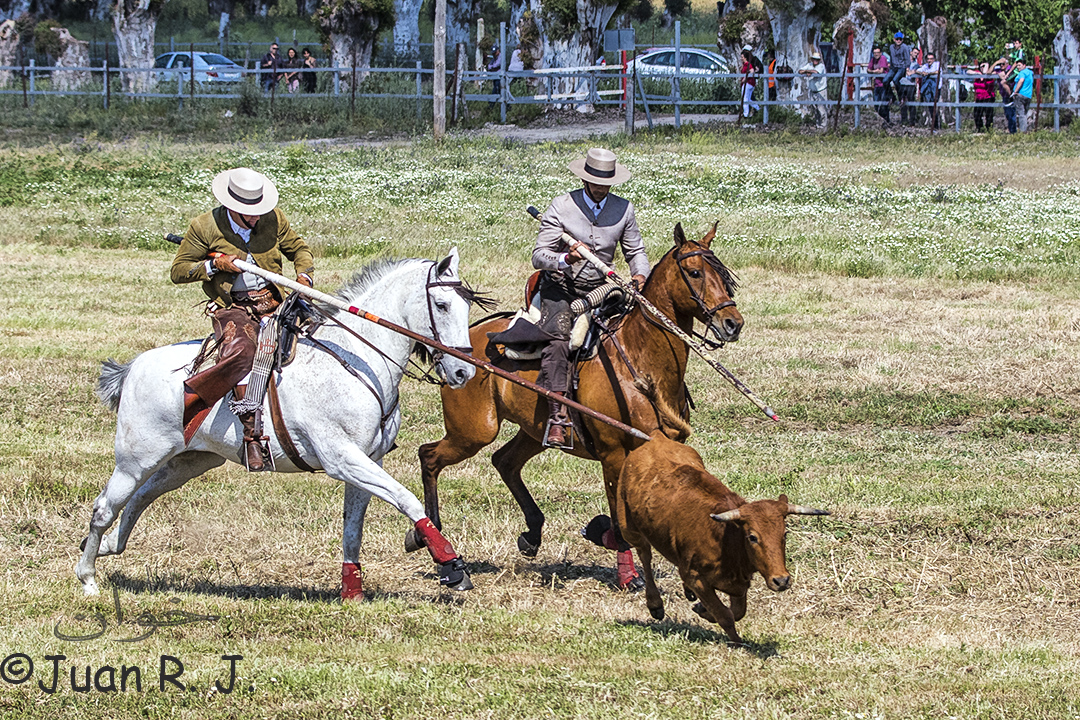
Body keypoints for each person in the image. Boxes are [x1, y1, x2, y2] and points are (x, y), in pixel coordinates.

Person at [171, 168, 314, 472]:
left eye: (259, 211)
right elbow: (179, 271)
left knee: (320, 337)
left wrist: (304, 274)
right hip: (234, 305)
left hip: (274, 298)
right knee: (243, 353)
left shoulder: (273, 218)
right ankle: (252, 436)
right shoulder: (204, 226)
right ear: (232, 207)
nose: (256, 217)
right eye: (249, 213)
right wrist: (213, 265)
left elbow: (298, 248)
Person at [530, 148, 649, 448]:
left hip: (602, 288)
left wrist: (640, 276)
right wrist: (565, 258)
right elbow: (539, 256)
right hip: (562, 287)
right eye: (594, 181)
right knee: (558, 341)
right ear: (584, 179)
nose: (600, 187)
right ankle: (557, 416)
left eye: (605, 182)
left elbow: (635, 252)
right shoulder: (562, 206)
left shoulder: (624, 210)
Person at [799, 51, 828, 128]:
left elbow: (816, 72)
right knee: (815, 108)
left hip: (821, 90)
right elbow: (800, 71)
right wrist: (807, 71)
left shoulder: (821, 66)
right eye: (814, 59)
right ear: (812, 59)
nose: (815, 61)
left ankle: (823, 126)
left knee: (822, 109)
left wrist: (808, 72)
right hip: (812, 90)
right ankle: (818, 124)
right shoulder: (809, 65)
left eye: (817, 59)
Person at [883, 32, 913, 105]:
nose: (898, 41)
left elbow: (907, 59)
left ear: (902, 40)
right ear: (894, 39)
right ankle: (891, 96)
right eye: (897, 39)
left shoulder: (904, 47)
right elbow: (892, 58)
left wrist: (907, 68)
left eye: (900, 39)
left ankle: (902, 96)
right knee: (885, 81)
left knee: (895, 80)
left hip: (901, 67)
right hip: (894, 67)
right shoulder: (891, 47)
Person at [916, 52, 940, 128]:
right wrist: (922, 72)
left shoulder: (937, 64)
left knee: (935, 106)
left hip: (936, 88)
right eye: (928, 59)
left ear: (934, 59)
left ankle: (937, 125)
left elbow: (937, 71)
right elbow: (918, 70)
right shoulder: (925, 66)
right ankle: (933, 125)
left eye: (931, 59)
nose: (929, 60)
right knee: (930, 107)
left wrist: (928, 73)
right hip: (928, 89)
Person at [970, 61, 997, 132]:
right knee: (977, 114)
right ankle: (980, 129)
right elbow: (968, 71)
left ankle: (989, 129)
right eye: (981, 66)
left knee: (988, 115)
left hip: (988, 97)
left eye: (984, 66)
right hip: (979, 98)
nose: (982, 68)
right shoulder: (977, 75)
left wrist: (986, 67)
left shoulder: (990, 75)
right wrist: (977, 73)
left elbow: (986, 74)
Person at [867, 45, 890, 124]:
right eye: (874, 53)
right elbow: (868, 69)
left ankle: (886, 120)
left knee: (883, 103)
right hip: (877, 84)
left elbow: (881, 71)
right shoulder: (873, 60)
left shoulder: (883, 58)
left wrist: (873, 71)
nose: (876, 54)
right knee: (876, 103)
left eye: (877, 53)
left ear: (880, 53)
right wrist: (875, 71)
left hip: (883, 84)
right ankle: (879, 121)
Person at [1011, 58, 1034, 132]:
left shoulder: (1022, 73)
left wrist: (1015, 91)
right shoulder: (1030, 72)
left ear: (1024, 65)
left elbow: (1021, 80)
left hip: (1020, 94)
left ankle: (1023, 131)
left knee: (1021, 114)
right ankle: (1026, 129)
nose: (1018, 67)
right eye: (1017, 65)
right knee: (1025, 113)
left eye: (1019, 65)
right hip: (1028, 95)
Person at [898, 48, 920, 126]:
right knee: (902, 102)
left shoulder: (916, 64)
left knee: (911, 102)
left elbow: (914, 71)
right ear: (911, 52)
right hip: (902, 83)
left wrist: (911, 72)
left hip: (911, 84)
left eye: (917, 53)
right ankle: (904, 120)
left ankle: (912, 121)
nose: (916, 55)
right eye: (915, 53)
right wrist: (908, 71)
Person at [739, 46, 760, 118]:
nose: (741, 58)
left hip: (748, 83)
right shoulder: (744, 65)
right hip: (748, 83)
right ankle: (757, 108)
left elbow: (751, 71)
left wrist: (745, 78)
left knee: (745, 98)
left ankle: (745, 114)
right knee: (748, 99)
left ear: (745, 57)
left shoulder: (748, 64)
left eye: (742, 57)